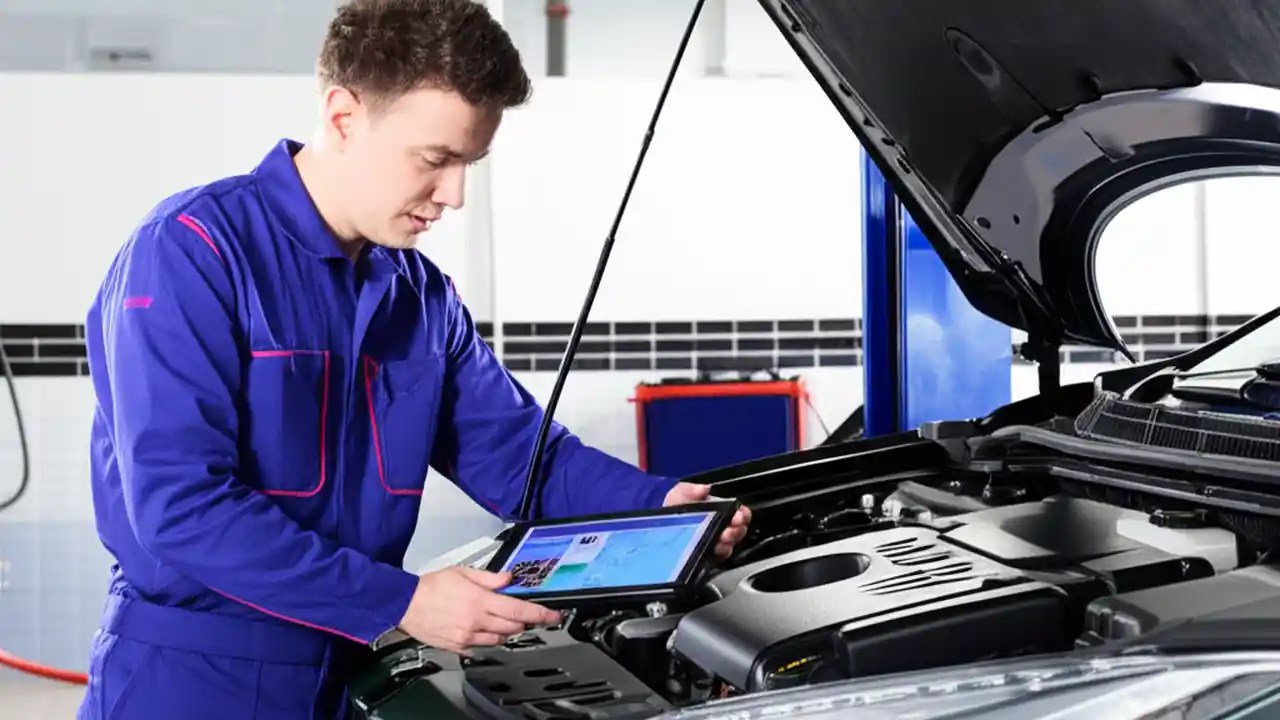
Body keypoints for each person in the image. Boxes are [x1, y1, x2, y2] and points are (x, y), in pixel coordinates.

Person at [76, 1, 752, 718]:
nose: (454, 195)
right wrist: (402, 602)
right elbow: (181, 507)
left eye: (469, 163)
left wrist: (657, 507)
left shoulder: (418, 294)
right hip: (191, 679)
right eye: (436, 160)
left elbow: (523, 459)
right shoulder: (192, 253)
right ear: (343, 116)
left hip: (350, 668)